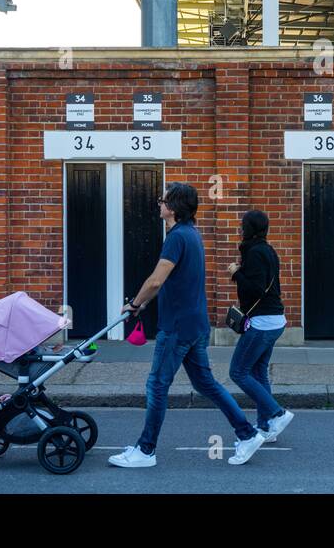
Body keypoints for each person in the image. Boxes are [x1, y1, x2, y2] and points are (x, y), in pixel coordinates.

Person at [108, 182, 266, 469]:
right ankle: (247, 433)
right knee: (205, 383)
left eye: (162, 200)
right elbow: (170, 283)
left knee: (157, 385)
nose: (159, 204)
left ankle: (145, 451)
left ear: (174, 206)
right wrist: (143, 303)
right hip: (195, 324)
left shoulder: (176, 237)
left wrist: (133, 305)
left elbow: (157, 279)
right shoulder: (191, 235)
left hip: (178, 327)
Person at [227, 210, 295, 442]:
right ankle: (266, 427)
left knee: (238, 372)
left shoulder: (255, 252)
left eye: (242, 225)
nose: (239, 228)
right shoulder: (267, 250)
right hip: (274, 320)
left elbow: (255, 288)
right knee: (258, 372)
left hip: (263, 322)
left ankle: (277, 413)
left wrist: (236, 273)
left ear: (250, 228)